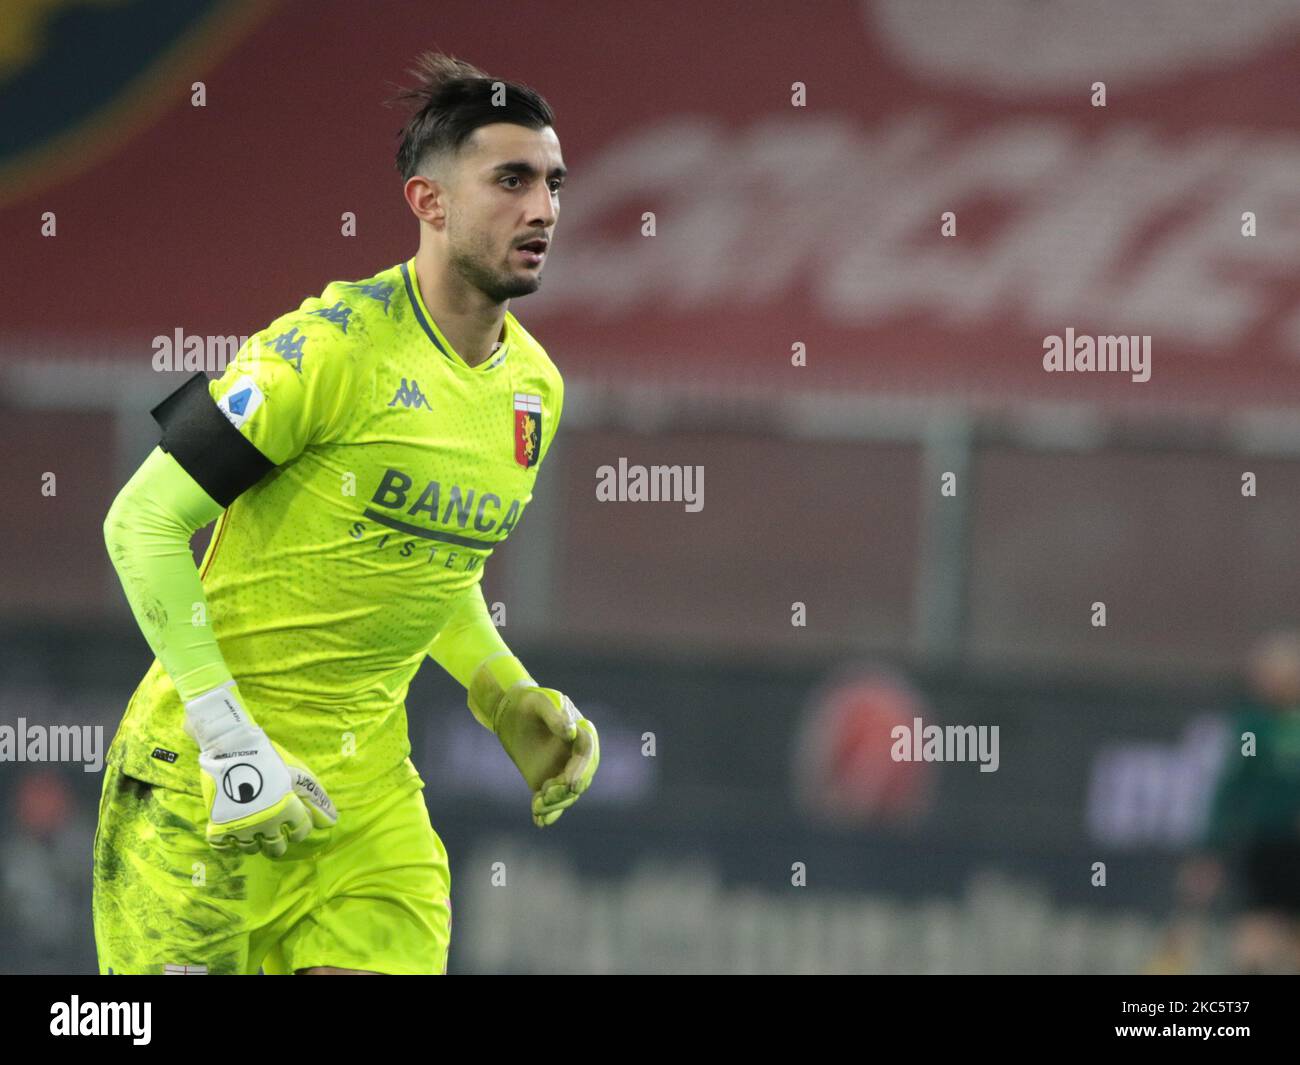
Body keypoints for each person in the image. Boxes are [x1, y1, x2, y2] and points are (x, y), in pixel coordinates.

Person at [93, 52, 598, 976]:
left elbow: (432, 565)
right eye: (512, 181)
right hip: (202, 786)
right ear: (428, 202)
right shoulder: (321, 352)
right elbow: (140, 523)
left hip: (363, 809)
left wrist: (503, 692)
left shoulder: (534, 391)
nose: (544, 210)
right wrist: (228, 738)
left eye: (554, 184)